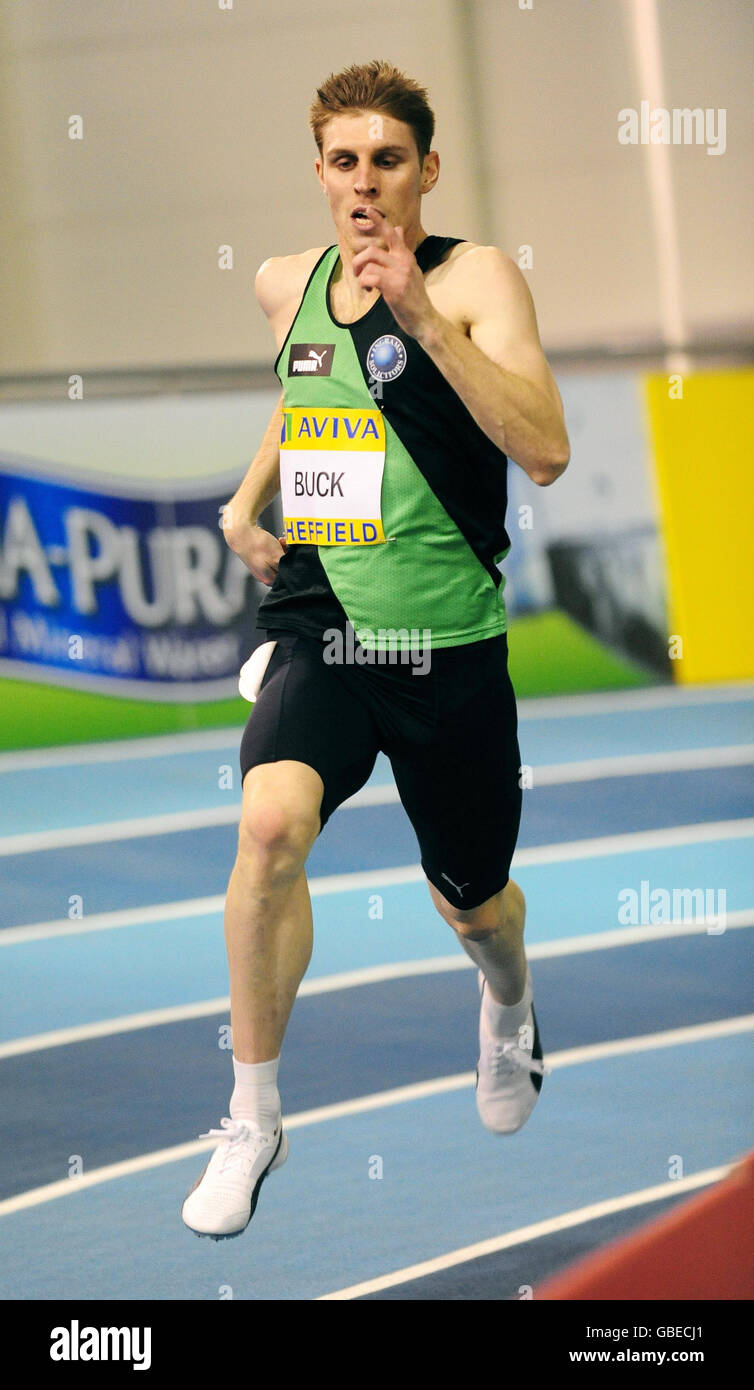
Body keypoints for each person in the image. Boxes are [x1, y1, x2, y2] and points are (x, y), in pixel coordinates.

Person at [182, 59, 570, 1240]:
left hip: (446, 640)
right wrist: (248, 502)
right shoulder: (284, 283)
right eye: (343, 163)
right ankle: (252, 1116)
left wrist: (416, 314)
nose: (364, 185)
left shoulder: (475, 278)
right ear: (319, 176)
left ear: (426, 171)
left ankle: (508, 1005)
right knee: (268, 824)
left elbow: (543, 446)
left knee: (474, 904)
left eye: (387, 161)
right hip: (326, 618)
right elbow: (307, 399)